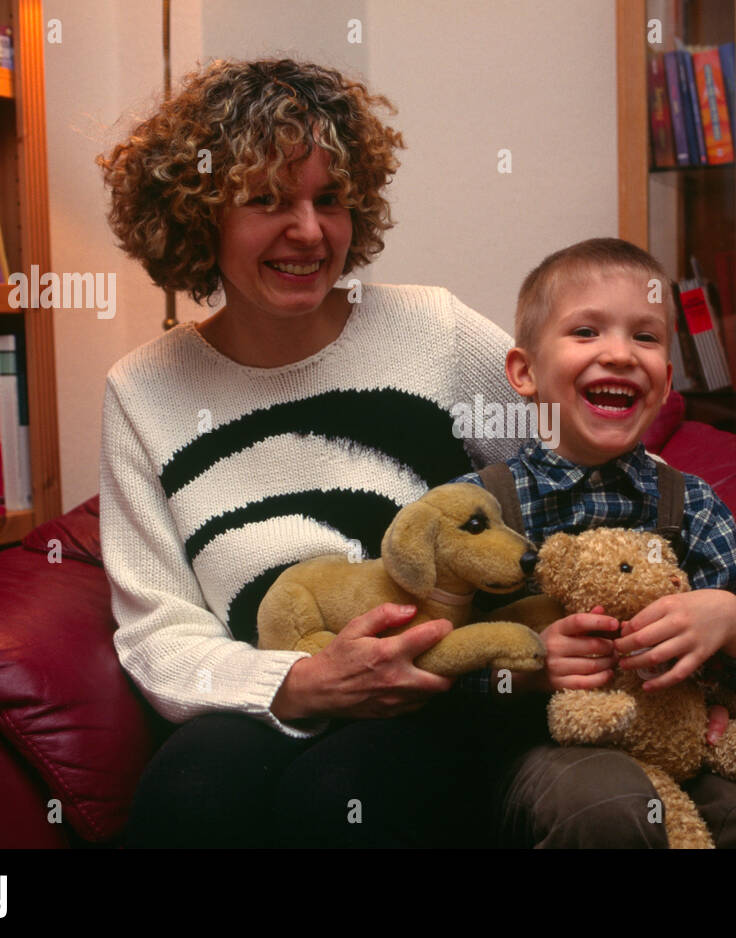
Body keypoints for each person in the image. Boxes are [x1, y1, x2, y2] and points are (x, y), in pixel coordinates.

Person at [96, 57, 535, 847]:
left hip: (441, 695)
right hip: (269, 696)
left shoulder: (432, 331)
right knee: (188, 794)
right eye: (266, 200)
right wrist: (299, 682)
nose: (309, 230)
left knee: (342, 800)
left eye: (329, 199)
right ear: (199, 215)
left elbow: (572, 478)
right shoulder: (143, 391)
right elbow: (157, 629)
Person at [451, 238, 736, 848]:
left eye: (645, 337)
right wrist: (529, 664)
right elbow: (428, 670)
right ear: (525, 373)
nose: (618, 353)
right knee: (610, 804)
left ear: (665, 381)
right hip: (548, 757)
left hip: (692, 746)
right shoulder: (477, 508)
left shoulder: (692, 504)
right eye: (586, 332)